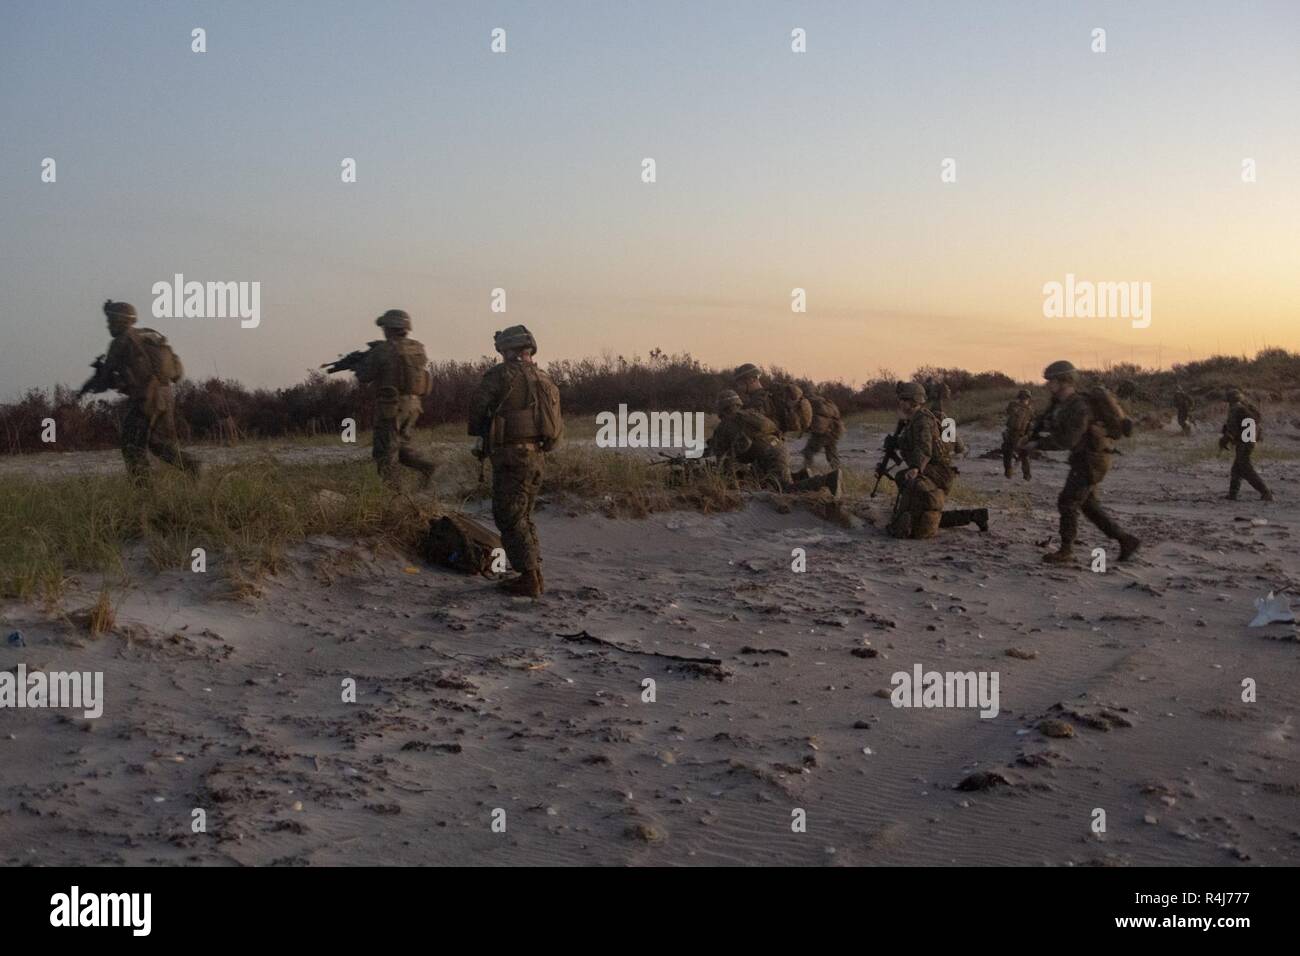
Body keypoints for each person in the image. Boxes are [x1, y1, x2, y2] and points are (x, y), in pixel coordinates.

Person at [468, 325, 563, 597]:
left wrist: (481, 431)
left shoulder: (501, 375)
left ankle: (528, 578)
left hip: (512, 457)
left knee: (509, 517)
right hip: (536, 457)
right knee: (523, 515)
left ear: (508, 349)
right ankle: (534, 573)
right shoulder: (544, 378)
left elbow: (477, 406)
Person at [1019, 360, 1140, 564]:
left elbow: (1068, 440)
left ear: (1065, 381)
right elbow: (1045, 423)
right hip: (1085, 458)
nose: (1048, 384)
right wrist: (1031, 437)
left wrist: (1037, 444)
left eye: (1052, 381)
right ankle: (1125, 539)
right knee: (1088, 505)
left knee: (1067, 502)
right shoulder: (1061, 403)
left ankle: (1066, 551)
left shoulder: (1079, 406)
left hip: (1092, 460)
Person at [79, 300, 200, 484]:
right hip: (166, 395)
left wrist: (85, 389)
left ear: (120, 321)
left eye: (111, 320)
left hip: (147, 399)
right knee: (157, 444)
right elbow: (175, 373)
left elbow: (104, 380)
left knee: (131, 446)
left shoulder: (120, 342)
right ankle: (191, 466)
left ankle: (144, 492)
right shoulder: (149, 335)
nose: (108, 325)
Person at [353, 309, 435, 491]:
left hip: (392, 407)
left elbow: (365, 376)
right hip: (413, 406)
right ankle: (427, 467)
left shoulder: (384, 350)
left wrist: (359, 364)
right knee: (402, 446)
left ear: (390, 328)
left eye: (385, 327)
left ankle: (395, 496)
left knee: (385, 453)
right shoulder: (418, 348)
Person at [707, 390, 839, 495]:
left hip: (770, 455)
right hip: (777, 449)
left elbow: (724, 451)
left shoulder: (726, 424)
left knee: (783, 489)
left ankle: (828, 481)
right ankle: (801, 477)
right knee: (761, 481)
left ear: (721, 408)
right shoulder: (750, 413)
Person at [1220, 387, 1272, 501]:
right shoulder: (1245, 408)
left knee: (1245, 468)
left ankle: (1265, 492)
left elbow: (1232, 429)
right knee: (1237, 468)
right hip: (1249, 440)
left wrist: (1225, 439)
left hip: (1244, 441)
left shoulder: (1235, 409)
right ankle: (1232, 494)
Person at [1001, 389, 1035, 480]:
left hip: (1022, 435)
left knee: (1024, 455)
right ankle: (1009, 472)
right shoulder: (1014, 406)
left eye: (1025, 398)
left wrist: (1028, 435)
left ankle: (1026, 475)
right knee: (1007, 453)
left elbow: (1031, 423)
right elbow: (1009, 412)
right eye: (1022, 398)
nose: (1023, 400)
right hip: (1011, 433)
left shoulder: (1030, 410)